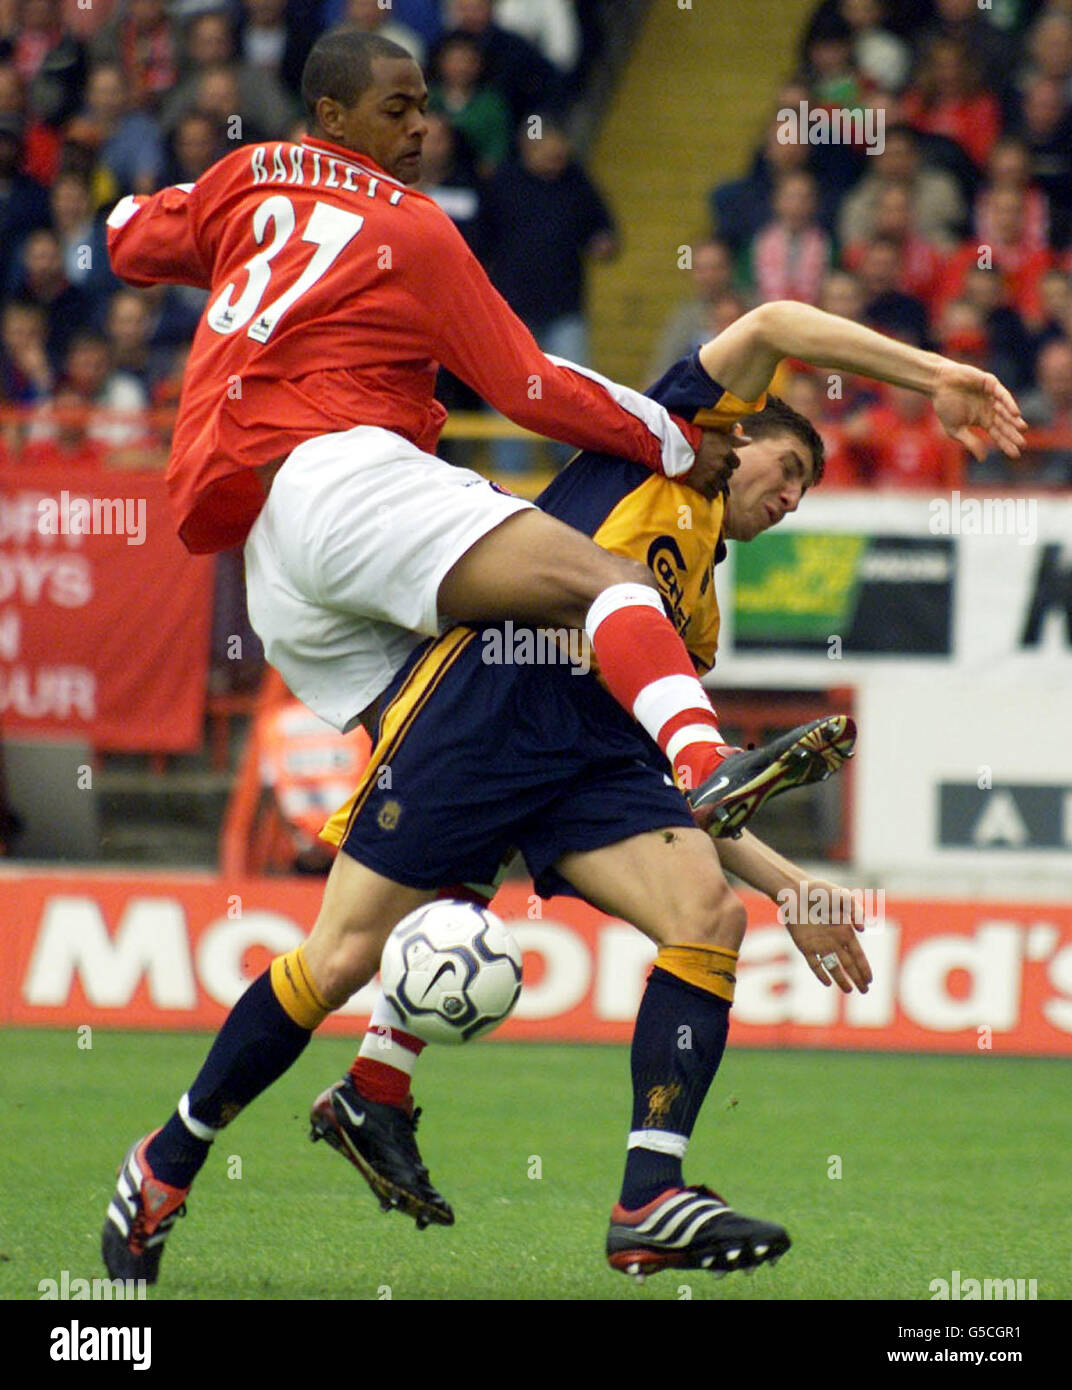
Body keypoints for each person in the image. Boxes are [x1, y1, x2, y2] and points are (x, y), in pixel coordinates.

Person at [101, 297, 1028, 1286]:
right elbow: (777, 319)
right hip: (486, 711)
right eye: (789, 469)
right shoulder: (668, 439)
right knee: (337, 959)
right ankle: (167, 1161)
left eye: (804, 490)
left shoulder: (697, 614)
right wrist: (935, 375)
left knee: (707, 916)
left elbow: (686, 795)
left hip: (591, 759)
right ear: (740, 427)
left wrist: (788, 883)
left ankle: (648, 1197)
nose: (791, 496)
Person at [106, 28, 869, 849]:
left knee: (438, 764)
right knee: (608, 581)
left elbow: (126, 237)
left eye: (426, 110)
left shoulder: (246, 180)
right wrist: (675, 441)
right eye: (396, 110)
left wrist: (235, 242)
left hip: (274, 560)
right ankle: (704, 758)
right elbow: (527, 386)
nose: (420, 129)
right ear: (329, 112)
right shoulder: (414, 229)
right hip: (345, 480)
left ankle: (388, 924)